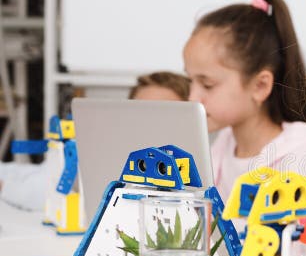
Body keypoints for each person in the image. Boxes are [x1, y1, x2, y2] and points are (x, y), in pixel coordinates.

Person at [183, 0, 306, 201]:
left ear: (260, 86)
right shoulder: (220, 148)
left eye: (207, 84)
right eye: (190, 81)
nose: (193, 98)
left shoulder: (303, 152)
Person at [0, 71, 193, 211]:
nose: (147, 122)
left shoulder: (185, 168)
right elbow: (44, 177)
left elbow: (42, 193)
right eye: (140, 111)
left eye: (161, 113)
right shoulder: (113, 151)